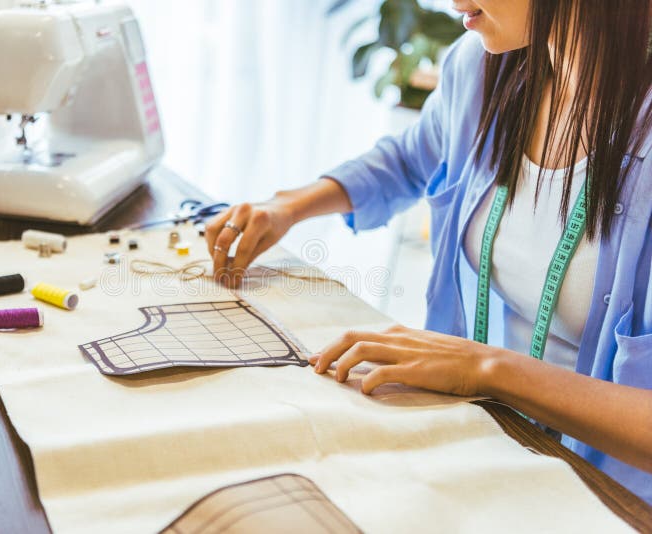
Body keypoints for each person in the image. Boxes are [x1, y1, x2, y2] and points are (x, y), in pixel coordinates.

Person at [205, 1, 652, 504]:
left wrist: (488, 370)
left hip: (613, 499)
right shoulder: (482, 67)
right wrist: (288, 205)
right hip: (496, 442)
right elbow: (411, 156)